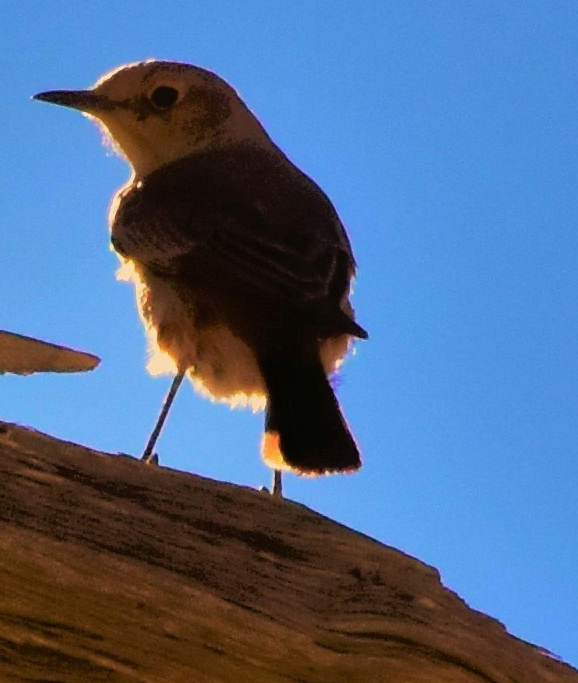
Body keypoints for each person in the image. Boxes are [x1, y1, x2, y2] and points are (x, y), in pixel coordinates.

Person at [33, 60, 364, 477]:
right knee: (288, 362)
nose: (128, 114)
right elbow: (315, 276)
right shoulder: (304, 197)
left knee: (238, 352)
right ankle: (284, 465)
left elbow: (230, 267)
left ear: (219, 114)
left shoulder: (146, 202)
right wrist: (304, 301)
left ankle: (146, 464)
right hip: (314, 319)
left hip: (228, 307)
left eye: (162, 98)